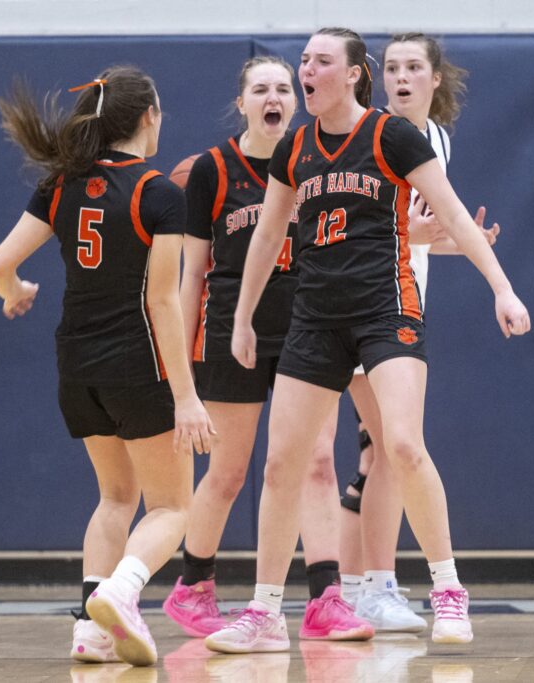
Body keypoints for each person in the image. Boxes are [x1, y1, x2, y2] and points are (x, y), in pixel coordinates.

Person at [205, 27, 530, 654]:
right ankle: (266, 613)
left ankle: (448, 592)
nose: (307, 69)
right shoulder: (295, 147)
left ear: (353, 74)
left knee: (403, 445)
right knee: (281, 465)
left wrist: (502, 287)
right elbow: (269, 236)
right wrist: (242, 317)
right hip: (316, 317)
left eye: (321, 61)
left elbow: (454, 214)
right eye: (304, 59)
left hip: (386, 309)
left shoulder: (392, 136)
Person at [0, 65, 213, 667]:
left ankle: (90, 632)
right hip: (137, 363)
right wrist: (188, 396)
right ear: (148, 116)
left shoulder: (61, 184)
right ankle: (123, 590)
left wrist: (12, 293)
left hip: (76, 364)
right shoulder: (159, 192)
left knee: (115, 498)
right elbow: (164, 301)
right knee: (171, 508)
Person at [164, 55, 373, 642]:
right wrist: (180, 373)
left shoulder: (312, 159)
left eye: (284, 87)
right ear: (243, 103)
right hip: (233, 328)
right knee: (229, 471)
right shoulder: (209, 170)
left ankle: (324, 598)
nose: (275, 96)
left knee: (319, 461)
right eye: (262, 88)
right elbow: (191, 275)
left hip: (310, 326)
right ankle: (193, 585)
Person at [339, 32, 500, 634]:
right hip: (356, 305)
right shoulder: (371, 135)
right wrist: (440, 235)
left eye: (413, 67)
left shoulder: (434, 139)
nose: (401, 77)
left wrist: (466, 243)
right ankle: (367, 586)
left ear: (436, 79)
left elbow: (417, 232)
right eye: (393, 68)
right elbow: (387, 229)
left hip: (400, 304)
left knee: (385, 452)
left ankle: (364, 587)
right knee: (383, 451)